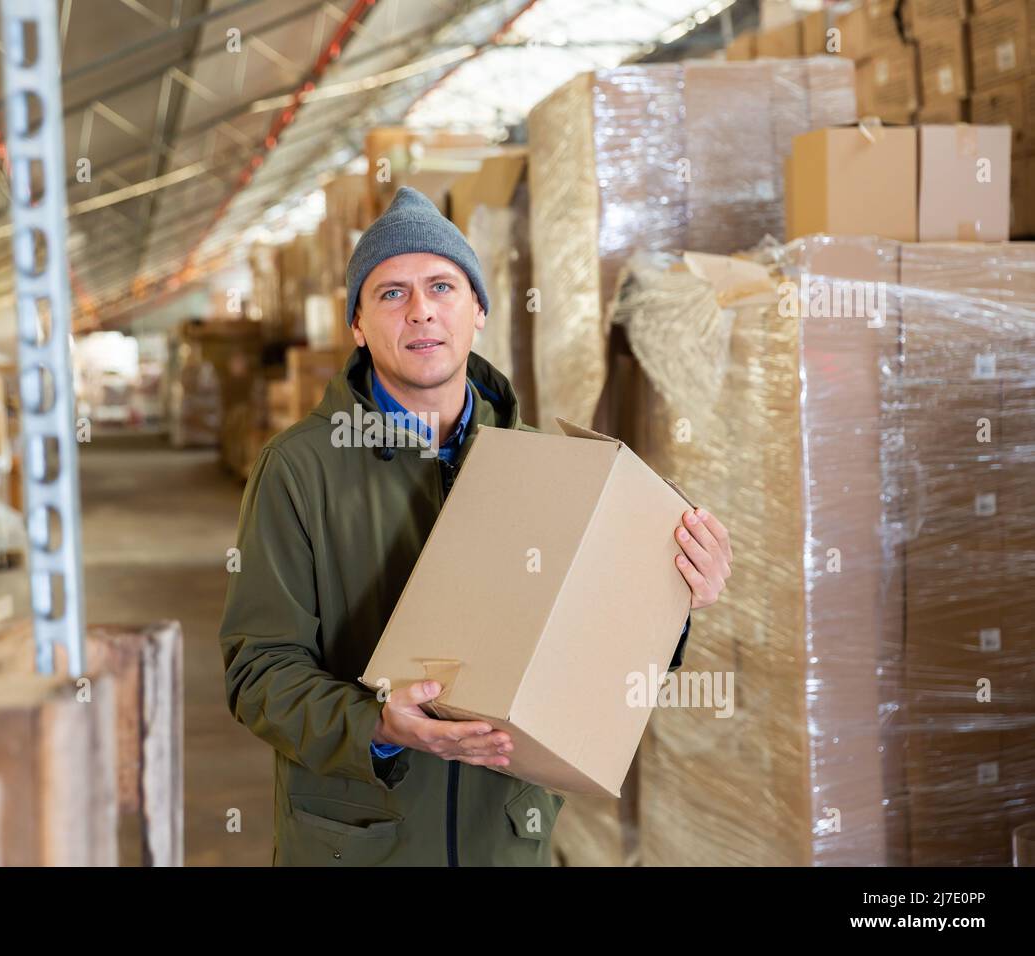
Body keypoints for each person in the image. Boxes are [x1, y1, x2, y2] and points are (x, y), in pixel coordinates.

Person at [218, 186, 733, 866]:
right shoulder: (299, 470)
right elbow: (258, 672)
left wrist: (676, 597)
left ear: (479, 310)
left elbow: (609, 663)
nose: (422, 310)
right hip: (364, 844)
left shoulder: (552, 471)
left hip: (504, 840)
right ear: (357, 325)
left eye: (442, 286)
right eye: (391, 293)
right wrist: (376, 724)